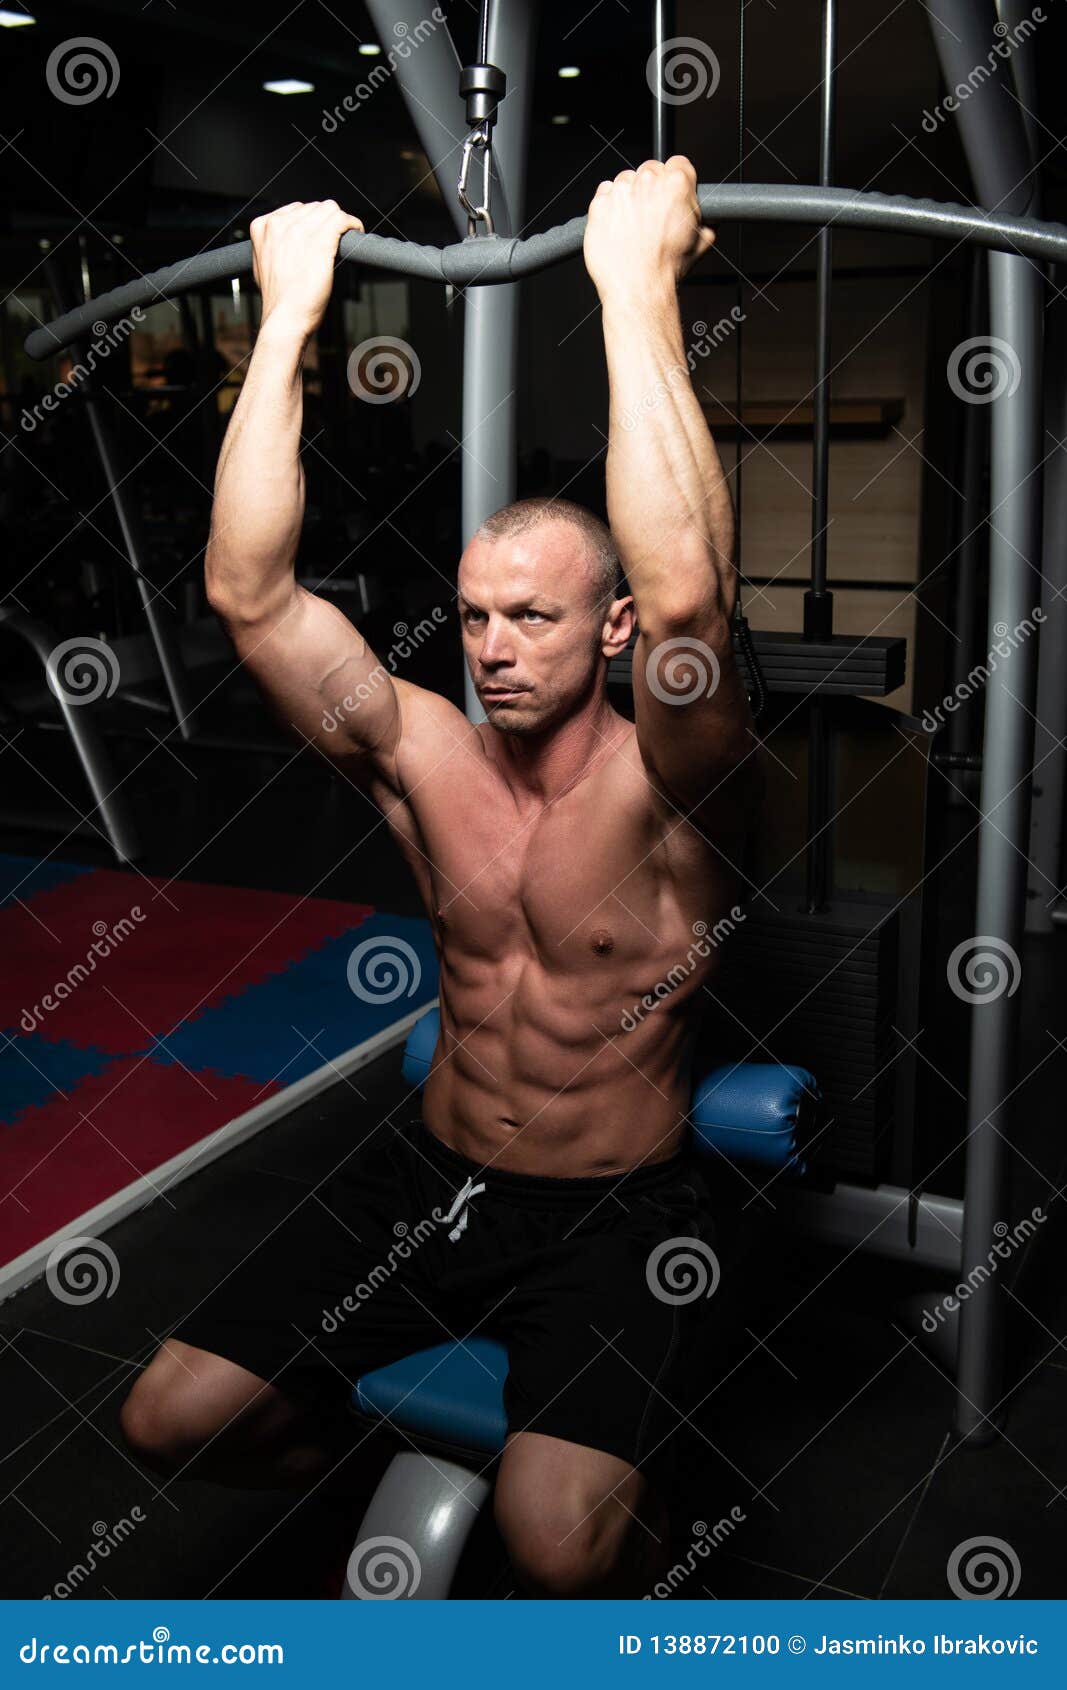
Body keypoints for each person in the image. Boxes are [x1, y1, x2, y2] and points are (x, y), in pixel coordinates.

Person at [120, 158, 764, 1598]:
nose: (491, 646)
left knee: (558, 1541)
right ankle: (373, 1463)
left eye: (531, 617)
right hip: (426, 1173)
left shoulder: (676, 780)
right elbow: (252, 597)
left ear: (604, 634)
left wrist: (633, 287)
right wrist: (286, 316)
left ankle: (642, 1574)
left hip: (617, 1213)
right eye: (473, 617)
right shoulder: (418, 754)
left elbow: (687, 597)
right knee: (168, 1414)